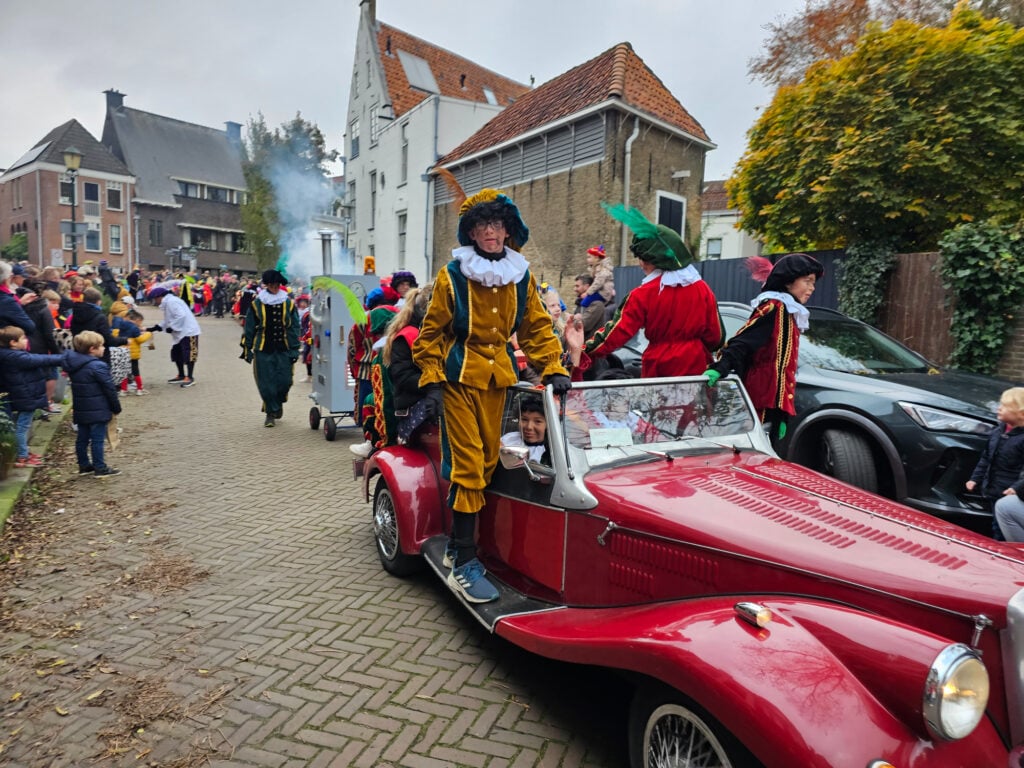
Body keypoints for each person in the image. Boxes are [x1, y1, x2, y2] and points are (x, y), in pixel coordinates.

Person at [412, 188, 570, 603]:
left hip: (499, 379)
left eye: (497, 224)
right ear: (471, 232)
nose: (490, 232)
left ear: (508, 229)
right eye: (481, 225)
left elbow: (536, 328)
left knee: (487, 460)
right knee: (467, 464)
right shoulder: (453, 275)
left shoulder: (522, 275)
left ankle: (454, 546)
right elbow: (431, 335)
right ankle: (463, 560)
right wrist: (430, 380)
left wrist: (553, 366)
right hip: (460, 379)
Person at [585, 204, 723, 378]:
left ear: (653, 260)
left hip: (661, 367)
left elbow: (615, 334)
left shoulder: (642, 294)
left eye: (642, 259)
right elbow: (716, 337)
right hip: (696, 366)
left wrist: (583, 350)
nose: (640, 264)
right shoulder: (702, 288)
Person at [703, 253, 825, 446]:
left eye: (813, 283)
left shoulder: (789, 311)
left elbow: (784, 368)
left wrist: (783, 412)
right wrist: (720, 367)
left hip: (774, 405)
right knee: (754, 456)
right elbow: (743, 342)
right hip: (760, 402)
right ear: (787, 282)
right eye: (807, 281)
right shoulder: (773, 308)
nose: (812, 288)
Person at [0, 326, 67, 468]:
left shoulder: (9, 354)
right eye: (23, 338)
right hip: (25, 397)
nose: (26, 340)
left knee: (19, 426)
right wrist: (66, 357)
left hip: (23, 395)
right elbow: (40, 359)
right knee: (22, 427)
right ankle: (22, 456)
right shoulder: (16, 357)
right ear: (13, 342)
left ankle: (23, 452)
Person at [241, 269, 301, 427]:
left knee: (285, 382)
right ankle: (270, 413)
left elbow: (294, 327)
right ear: (267, 285)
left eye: (277, 285)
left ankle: (278, 402)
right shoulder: (257, 304)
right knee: (266, 384)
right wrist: (247, 348)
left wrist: (295, 349)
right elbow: (249, 327)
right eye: (272, 285)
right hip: (263, 349)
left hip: (284, 349)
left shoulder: (288, 304)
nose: (275, 287)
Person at [967, 387, 1024, 541]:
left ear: (1021, 414)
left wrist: (1017, 488)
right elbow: (986, 458)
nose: (999, 408)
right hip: (994, 487)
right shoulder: (998, 432)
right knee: (995, 523)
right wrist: (975, 478)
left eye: (1005, 406)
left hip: (1011, 492)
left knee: (1003, 526)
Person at [65, 330, 122, 477]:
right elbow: (109, 388)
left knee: (82, 438)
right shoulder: (98, 366)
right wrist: (115, 407)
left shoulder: (74, 365)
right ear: (92, 349)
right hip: (98, 409)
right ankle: (100, 467)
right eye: (101, 346)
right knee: (97, 439)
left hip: (81, 408)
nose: (104, 348)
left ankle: (84, 465)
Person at [146, 284, 201, 387]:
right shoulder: (168, 303)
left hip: (188, 331)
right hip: (180, 333)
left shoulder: (172, 302)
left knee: (189, 353)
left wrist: (172, 327)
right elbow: (168, 320)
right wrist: (156, 327)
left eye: (154, 299)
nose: (154, 302)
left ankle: (190, 377)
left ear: (159, 297)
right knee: (177, 353)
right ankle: (181, 375)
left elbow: (181, 315)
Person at [68, 286, 128, 366]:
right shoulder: (100, 317)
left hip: (80, 354)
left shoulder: (76, 314)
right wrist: (124, 340)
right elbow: (108, 340)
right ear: (98, 302)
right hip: (98, 356)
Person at [500, 396, 549, 465]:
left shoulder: (551, 452)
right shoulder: (510, 438)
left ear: (548, 424)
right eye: (524, 419)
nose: (529, 427)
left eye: (538, 421)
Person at [118, 309, 153, 396]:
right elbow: (140, 339)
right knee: (136, 372)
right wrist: (148, 334)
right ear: (137, 320)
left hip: (123, 351)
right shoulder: (134, 327)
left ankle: (123, 390)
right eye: (140, 322)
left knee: (124, 371)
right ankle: (139, 389)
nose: (140, 325)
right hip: (133, 353)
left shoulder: (122, 326)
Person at [0, 261, 36, 335]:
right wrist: (17, 304)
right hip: (7, 342)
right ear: (5, 279)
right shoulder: (6, 299)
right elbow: (29, 326)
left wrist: (20, 303)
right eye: (11, 276)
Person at [573, 273, 606, 338]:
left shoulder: (597, 304)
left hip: (590, 346)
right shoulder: (580, 303)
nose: (575, 289)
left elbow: (584, 325)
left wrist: (572, 320)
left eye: (577, 286)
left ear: (587, 287)